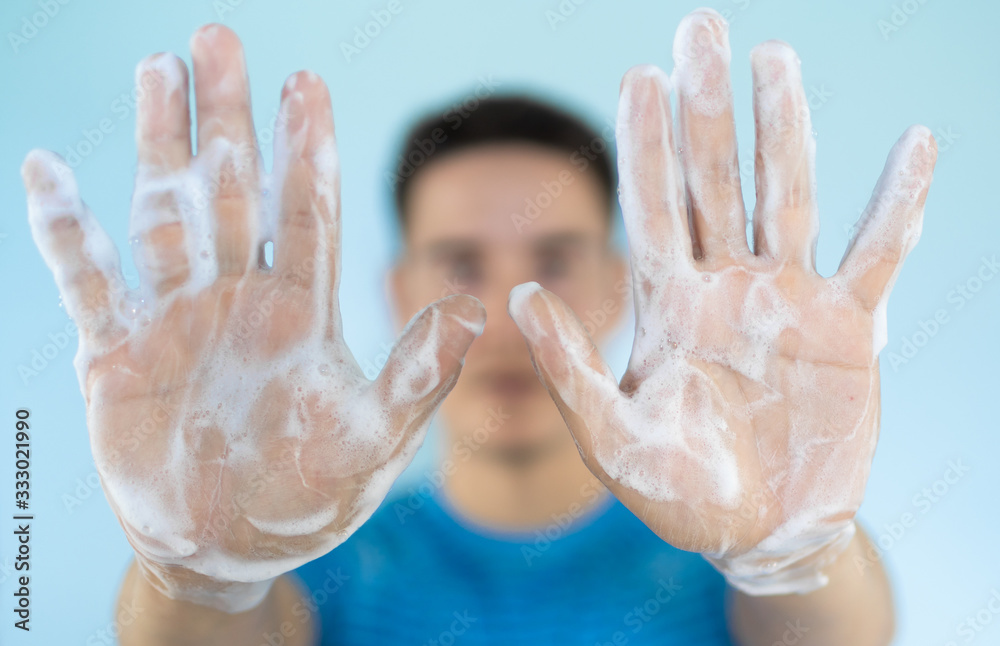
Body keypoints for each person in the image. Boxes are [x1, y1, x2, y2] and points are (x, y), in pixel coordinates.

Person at [22, 8, 936, 645]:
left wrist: (793, 557)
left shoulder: (722, 532)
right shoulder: (309, 542)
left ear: (627, 284)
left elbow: (834, 635)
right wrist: (205, 574)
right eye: (461, 264)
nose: (508, 310)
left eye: (555, 259)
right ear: (396, 290)